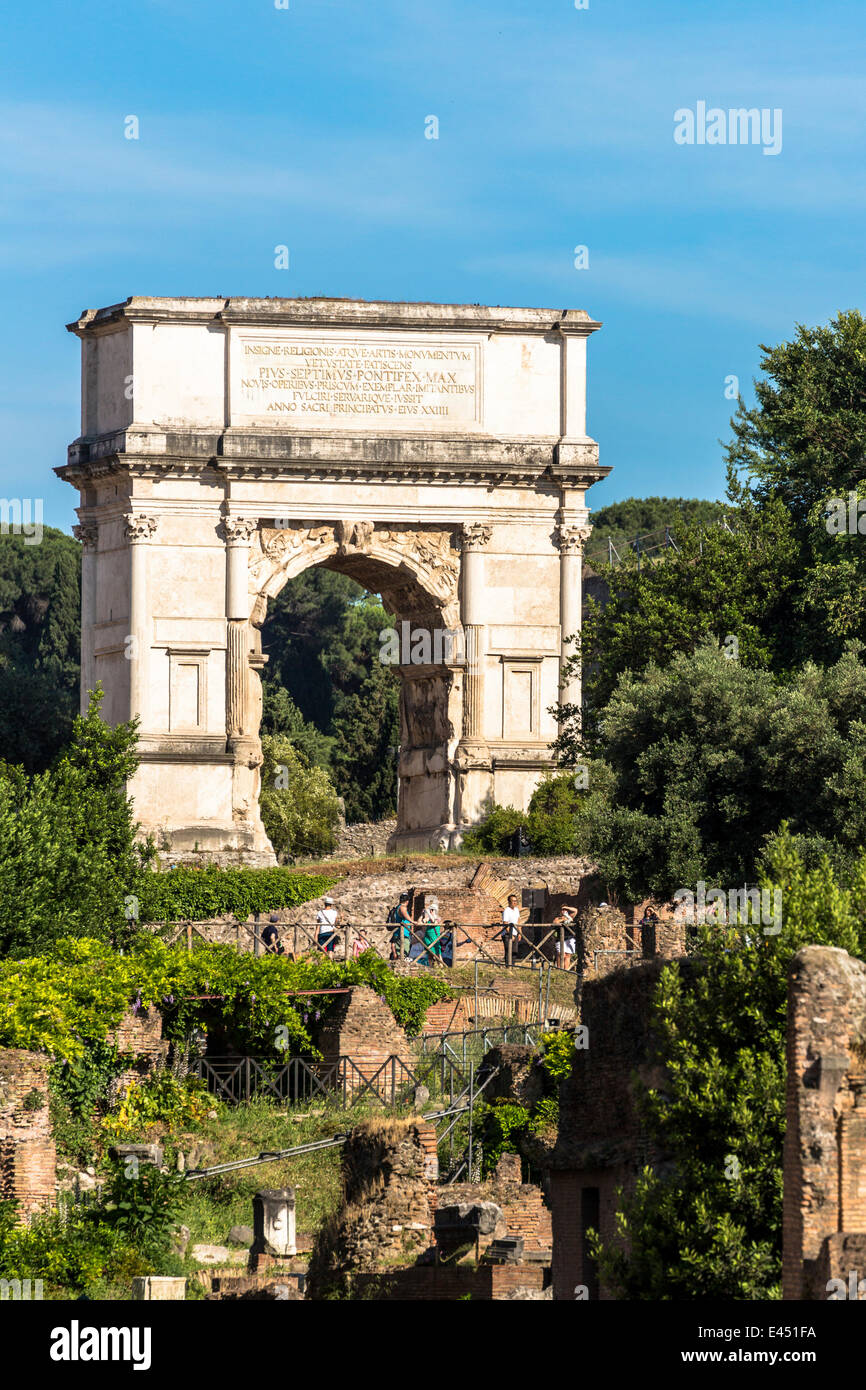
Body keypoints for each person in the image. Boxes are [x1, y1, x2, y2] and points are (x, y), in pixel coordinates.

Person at [388, 892, 414, 960]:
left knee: (401, 953)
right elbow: (405, 914)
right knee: (403, 953)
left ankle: (398, 967)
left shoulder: (398, 907)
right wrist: (413, 922)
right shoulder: (402, 907)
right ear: (407, 901)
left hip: (400, 933)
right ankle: (400, 968)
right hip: (402, 934)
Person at [499, 894, 522, 965]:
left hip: (515, 933)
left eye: (516, 901)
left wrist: (520, 933)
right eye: (513, 901)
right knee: (508, 950)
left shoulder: (517, 910)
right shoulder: (506, 911)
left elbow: (518, 922)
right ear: (509, 902)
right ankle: (508, 966)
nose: (515, 902)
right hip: (507, 934)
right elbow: (506, 923)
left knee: (515, 951)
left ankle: (513, 965)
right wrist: (510, 935)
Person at [553, 905, 577, 970]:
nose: (564, 911)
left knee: (567, 955)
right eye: (562, 910)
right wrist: (563, 919)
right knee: (561, 954)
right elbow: (555, 922)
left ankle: (566, 970)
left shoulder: (570, 917)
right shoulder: (558, 918)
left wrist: (567, 907)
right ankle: (559, 969)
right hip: (560, 939)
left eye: (565, 910)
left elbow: (575, 910)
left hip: (570, 938)